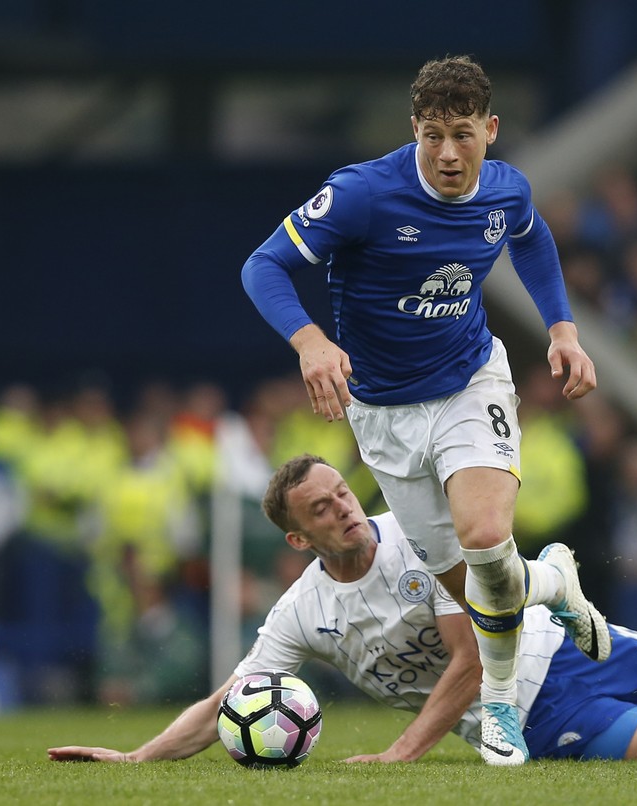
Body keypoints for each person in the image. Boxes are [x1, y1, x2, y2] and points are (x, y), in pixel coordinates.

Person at [48, 455, 637, 765]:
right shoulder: (304, 613)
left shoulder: (413, 537)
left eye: (342, 491)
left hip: (563, 638)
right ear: (299, 539)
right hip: (538, 707)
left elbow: (462, 656)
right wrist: (135, 757)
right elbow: (229, 698)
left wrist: (403, 751)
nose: (342, 507)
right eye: (321, 509)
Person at [239, 55, 607, 765]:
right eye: (433, 134)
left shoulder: (505, 191)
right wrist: (311, 343)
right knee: (481, 584)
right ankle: (556, 579)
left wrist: (562, 328)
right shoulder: (362, 195)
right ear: (414, 129)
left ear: (490, 131)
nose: (446, 153)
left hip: (470, 383)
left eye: (463, 134)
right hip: (382, 415)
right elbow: (263, 265)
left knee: (484, 533)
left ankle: (500, 710)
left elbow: (529, 237)